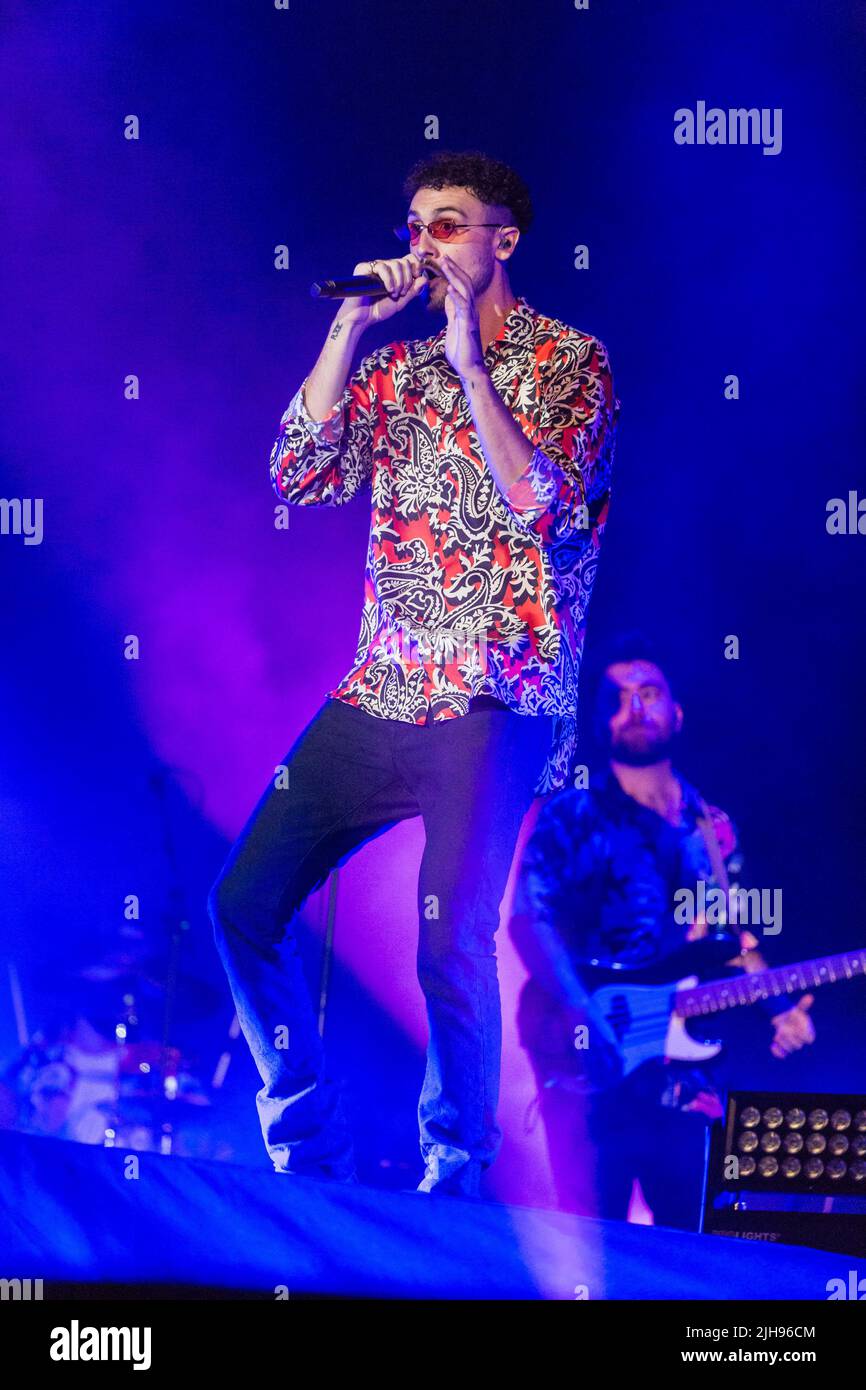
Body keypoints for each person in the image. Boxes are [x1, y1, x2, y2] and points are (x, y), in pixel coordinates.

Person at [208, 150, 620, 1197]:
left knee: (450, 940)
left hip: (500, 695)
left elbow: (541, 506)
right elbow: (298, 474)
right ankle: (306, 1153)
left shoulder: (572, 364)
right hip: (382, 688)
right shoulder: (394, 373)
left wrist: (471, 365)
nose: (422, 243)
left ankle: (453, 1182)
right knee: (243, 904)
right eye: (413, 225)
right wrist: (349, 329)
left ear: (501, 241)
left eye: (446, 224)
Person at [510, 636, 815, 1226]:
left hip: (685, 1074)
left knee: (689, 1249)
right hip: (584, 1063)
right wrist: (583, 1011)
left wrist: (779, 1010)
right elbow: (529, 921)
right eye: (619, 699)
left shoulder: (713, 828)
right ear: (601, 721)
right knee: (589, 1241)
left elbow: (734, 944)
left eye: (649, 694)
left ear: (676, 712)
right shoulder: (572, 814)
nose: (637, 708)